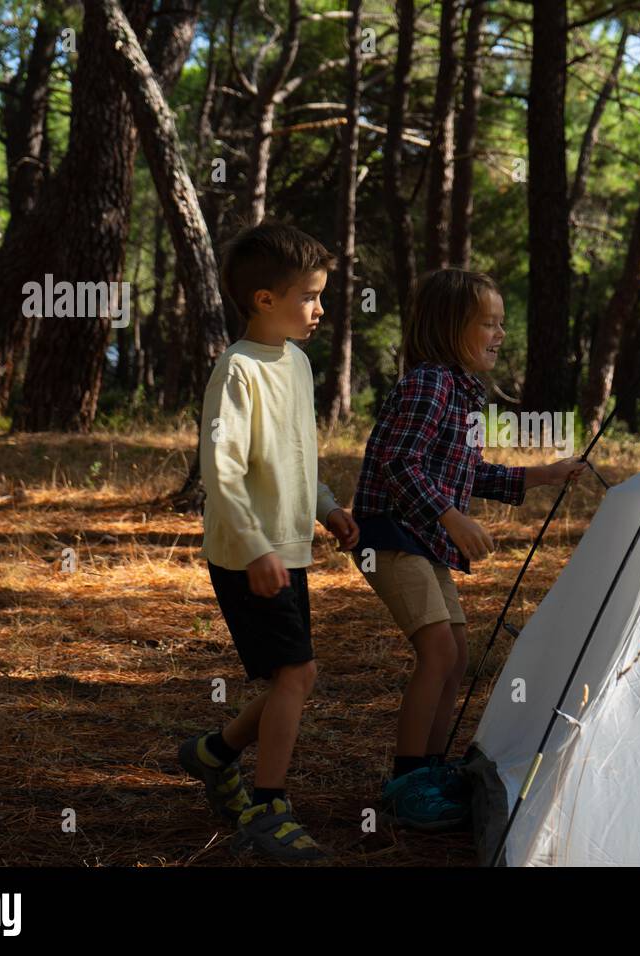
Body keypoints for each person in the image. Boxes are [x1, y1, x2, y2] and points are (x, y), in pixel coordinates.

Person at [351, 267, 586, 831]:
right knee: (437, 651)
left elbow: (467, 472)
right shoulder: (428, 384)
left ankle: (431, 770)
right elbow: (399, 464)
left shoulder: (461, 392)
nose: (500, 334)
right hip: (391, 533)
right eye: (488, 323)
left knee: (455, 652)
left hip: (422, 536)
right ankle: (406, 782)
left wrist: (543, 475)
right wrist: (450, 516)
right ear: (448, 327)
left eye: (502, 324)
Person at [178, 221, 359, 861]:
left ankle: (215, 751)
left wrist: (329, 507)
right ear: (264, 300)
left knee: (292, 678)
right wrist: (256, 546)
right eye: (309, 295)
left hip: (288, 552)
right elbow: (221, 469)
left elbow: (297, 455)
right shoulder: (237, 370)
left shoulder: (300, 363)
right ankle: (269, 808)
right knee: (297, 674)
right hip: (247, 556)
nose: (319, 308)